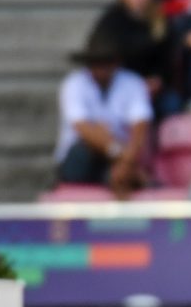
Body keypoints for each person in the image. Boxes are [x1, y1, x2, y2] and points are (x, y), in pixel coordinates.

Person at [55, 34, 153, 197]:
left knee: (120, 168)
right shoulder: (73, 85)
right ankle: (132, 177)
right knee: (86, 147)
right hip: (81, 158)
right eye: (96, 63)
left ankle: (125, 177)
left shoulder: (133, 83)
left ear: (116, 62)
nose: (101, 69)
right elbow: (84, 130)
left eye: (106, 62)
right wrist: (122, 155)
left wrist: (126, 157)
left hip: (118, 157)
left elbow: (140, 126)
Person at [89, 0, 171, 98]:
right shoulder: (111, 21)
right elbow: (102, 57)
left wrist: (158, 79)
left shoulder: (159, 22)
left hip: (150, 85)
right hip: (116, 84)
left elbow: (164, 59)